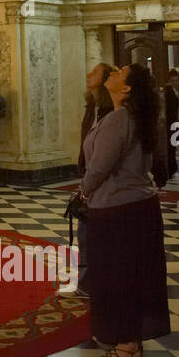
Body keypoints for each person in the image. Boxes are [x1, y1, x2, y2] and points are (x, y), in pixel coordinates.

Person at [79, 63, 171, 357]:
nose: (112, 73)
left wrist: (83, 192)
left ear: (127, 87)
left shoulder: (120, 119)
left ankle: (127, 345)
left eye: (119, 72)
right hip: (137, 207)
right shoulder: (130, 116)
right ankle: (130, 342)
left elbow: (100, 167)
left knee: (117, 278)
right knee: (131, 276)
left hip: (117, 209)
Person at [74, 62, 115, 299]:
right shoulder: (92, 107)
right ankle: (86, 281)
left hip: (103, 180)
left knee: (95, 232)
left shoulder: (113, 113)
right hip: (89, 174)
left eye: (95, 72)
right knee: (84, 231)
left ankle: (98, 281)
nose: (89, 74)